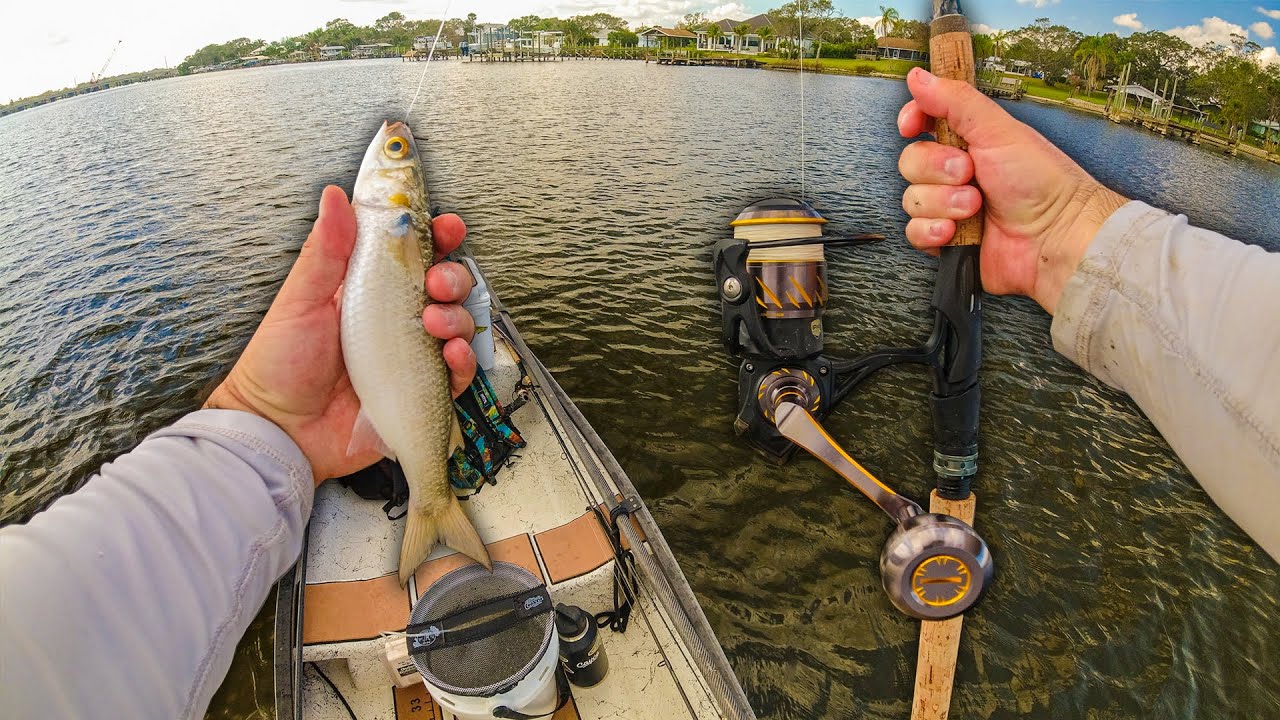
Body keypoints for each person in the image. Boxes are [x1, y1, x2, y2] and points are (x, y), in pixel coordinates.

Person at [0, 68, 1275, 719]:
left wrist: (270, 432)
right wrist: (1071, 244)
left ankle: (418, 496)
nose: (391, 163)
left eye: (393, 160)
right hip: (325, 420)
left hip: (302, 434)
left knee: (443, 387)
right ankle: (422, 494)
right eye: (391, 160)